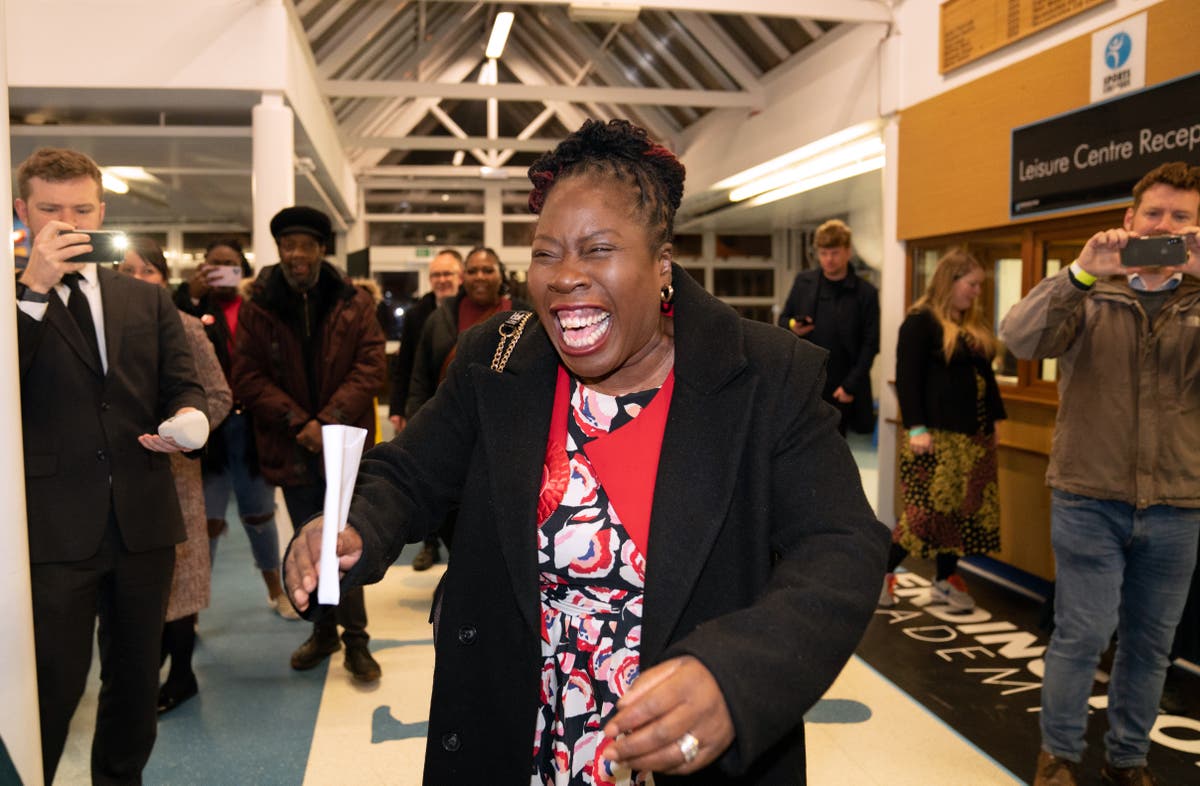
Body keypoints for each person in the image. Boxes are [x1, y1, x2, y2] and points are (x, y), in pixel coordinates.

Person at [285, 119, 888, 783]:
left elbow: (841, 546)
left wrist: (737, 673)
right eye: (546, 253)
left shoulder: (765, 377)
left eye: (597, 249)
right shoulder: (498, 360)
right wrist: (352, 526)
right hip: (516, 736)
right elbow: (412, 473)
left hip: (677, 748)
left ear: (662, 261)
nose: (565, 277)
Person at [1000, 162, 1200, 786]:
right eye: (1154, 215)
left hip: (1178, 503)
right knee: (1081, 638)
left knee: (1149, 647)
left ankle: (1128, 760)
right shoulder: (1089, 290)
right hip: (1089, 497)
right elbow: (1020, 339)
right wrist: (1082, 272)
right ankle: (1058, 756)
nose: (1165, 226)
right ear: (1129, 221)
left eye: (1182, 218)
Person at [13, 148, 208, 783]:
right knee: (51, 687)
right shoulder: (17, 298)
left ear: (101, 211)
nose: (66, 222)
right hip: (49, 529)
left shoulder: (145, 301)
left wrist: (189, 420)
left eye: (80, 209)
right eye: (49, 209)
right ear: (22, 212)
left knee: (133, 690)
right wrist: (33, 288)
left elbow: (182, 384)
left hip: (141, 522)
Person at [232, 205, 387, 683]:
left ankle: (356, 639)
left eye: (305, 245)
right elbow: (246, 375)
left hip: (342, 441)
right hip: (291, 444)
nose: (296, 254)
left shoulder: (353, 302)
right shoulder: (257, 305)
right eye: (287, 245)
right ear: (278, 249)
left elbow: (371, 365)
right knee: (306, 539)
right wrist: (300, 422)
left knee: (343, 538)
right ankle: (323, 633)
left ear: (322, 249)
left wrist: (329, 421)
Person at [118, 237, 233, 712]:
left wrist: (185, 434)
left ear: (164, 280)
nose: (137, 281)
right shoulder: (104, 331)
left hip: (176, 473)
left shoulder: (185, 328)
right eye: (127, 271)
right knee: (133, 577)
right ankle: (147, 666)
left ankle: (182, 675)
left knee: (182, 580)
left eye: (147, 271)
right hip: (121, 473)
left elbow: (219, 396)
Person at [176, 239, 298, 619]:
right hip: (207, 429)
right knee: (206, 519)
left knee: (259, 513)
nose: (222, 270)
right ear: (202, 269)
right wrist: (190, 298)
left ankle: (276, 590)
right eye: (214, 264)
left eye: (230, 264)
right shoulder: (191, 309)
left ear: (242, 270)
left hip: (252, 430)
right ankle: (193, 607)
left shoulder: (255, 309)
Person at [883, 250, 1005, 612]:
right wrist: (916, 426)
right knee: (924, 513)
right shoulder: (921, 322)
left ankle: (944, 580)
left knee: (961, 514)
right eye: (971, 284)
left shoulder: (970, 327)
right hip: (935, 436)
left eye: (980, 286)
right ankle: (882, 572)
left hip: (973, 437)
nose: (976, 292)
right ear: (949, 281)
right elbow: (908, 379)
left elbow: (987, 379)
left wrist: (993, 422)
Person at [404, 246, 529, 571]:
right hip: (451, 434)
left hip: (506, 440)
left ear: (500, 274)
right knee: (451, 515)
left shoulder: (525, 315)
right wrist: (415, 423)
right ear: (464, 277)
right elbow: (420, 377)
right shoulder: (441, 317)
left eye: (487, 270)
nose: (479, 277)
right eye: (473, 271)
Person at [778, 219, 879, 436]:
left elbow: (871, 343)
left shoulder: (865, 293)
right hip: (809, 379)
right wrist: (793, 326)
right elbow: (784, 320)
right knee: (802, 445)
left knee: (837, 450)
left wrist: (851, 385)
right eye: (823, 253)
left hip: (845, 384)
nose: (828, 259)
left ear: (847, 251)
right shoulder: (804, 282)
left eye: (834, 253)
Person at [387, 249, 464, 435]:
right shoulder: (416, 314)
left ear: (461, 277)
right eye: (436, 275)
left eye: (447, 273)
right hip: (424, 401)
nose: (441, 279)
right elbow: (404, 364)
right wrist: (397, 409)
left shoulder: (473, 309)